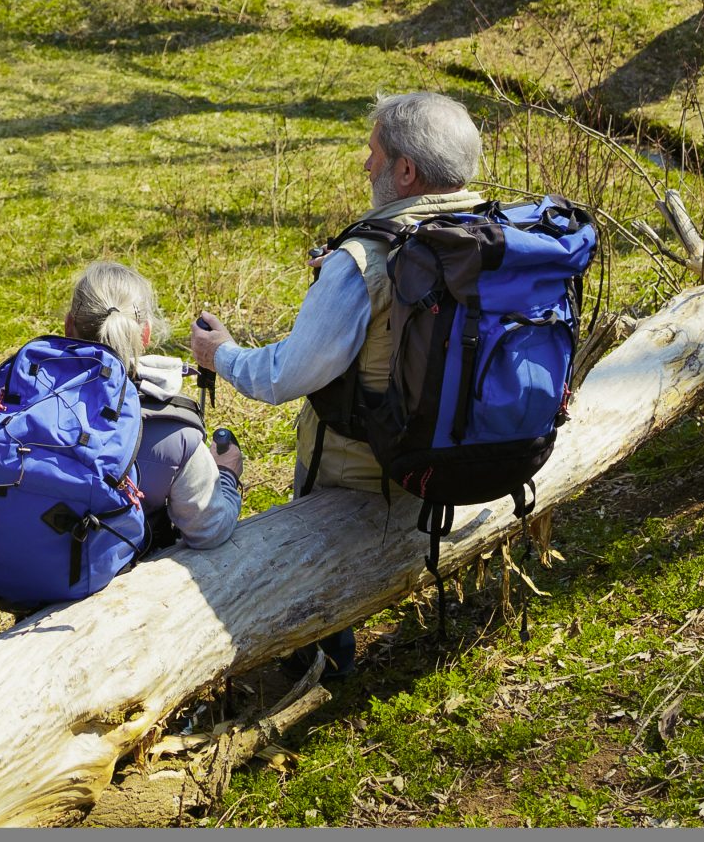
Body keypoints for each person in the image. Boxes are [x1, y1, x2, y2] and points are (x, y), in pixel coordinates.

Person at [188, 90, 485, 668]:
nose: (365, 164)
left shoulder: (366, 262)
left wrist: (220, 354)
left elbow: (283, 376)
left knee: (307, 582)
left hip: (364, 475)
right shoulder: (488, 234)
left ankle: (321, 660)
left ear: (405, 170)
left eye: (374, 153)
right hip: (466, 456)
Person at [63, 259, 243, 552]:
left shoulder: (19, 393)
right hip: (115, 581)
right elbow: (209, 530)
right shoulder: (175, 431)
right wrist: (226, 475)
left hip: (10, 577)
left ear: (69, 325)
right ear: (145, 334)